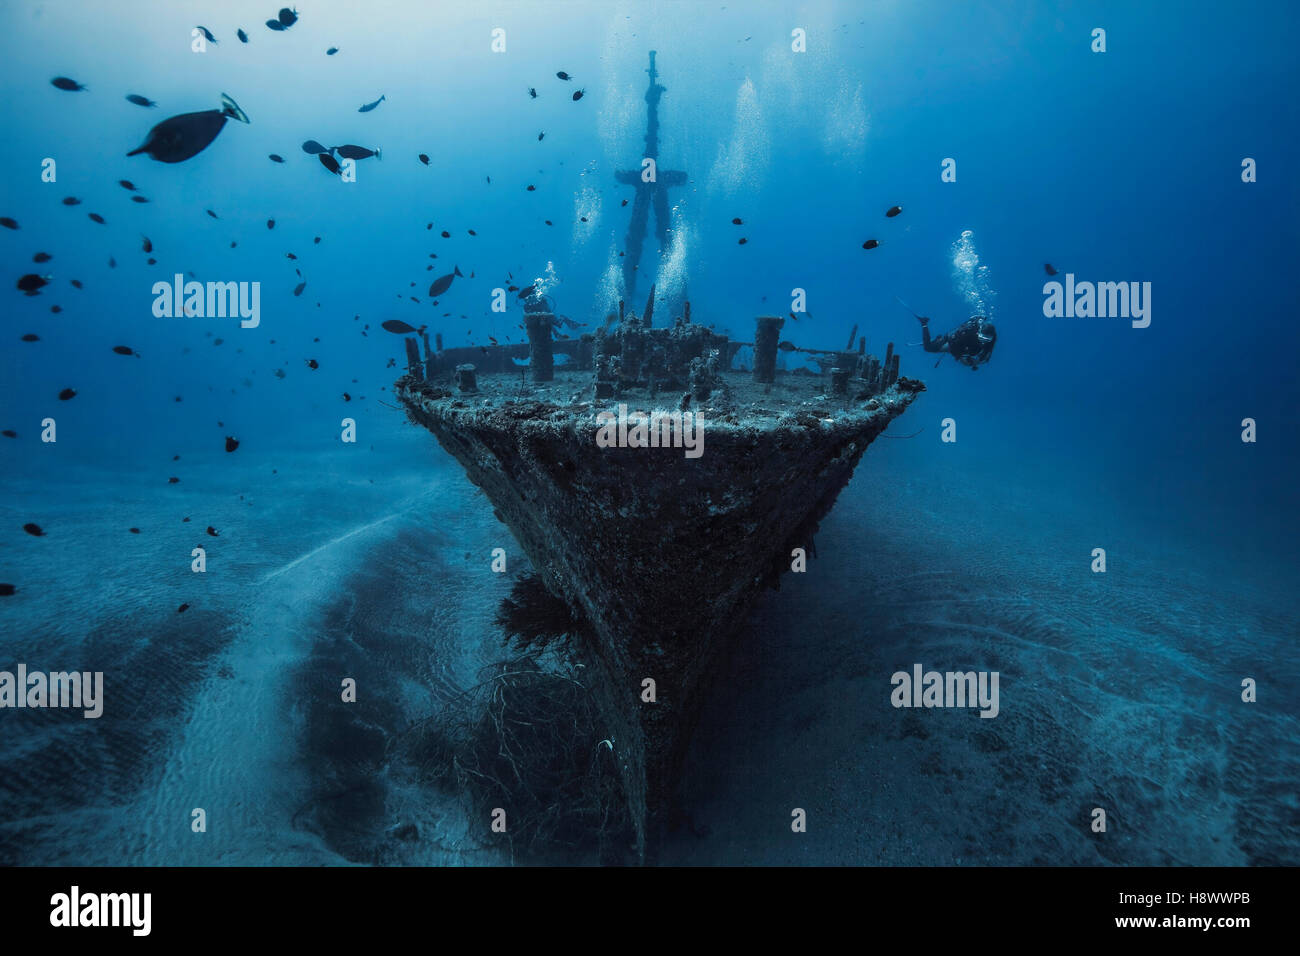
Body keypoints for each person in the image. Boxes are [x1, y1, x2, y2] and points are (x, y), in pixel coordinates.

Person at [915, 313, 996, 369]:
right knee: (928, 348)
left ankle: (937, 341)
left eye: (987, 339)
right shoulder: (968, 331)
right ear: (979, 332)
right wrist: (961, 357)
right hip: (952, 342)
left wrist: (978, 361)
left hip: (967, 350)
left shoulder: (992, 338)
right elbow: (954, 343)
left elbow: (987, 354)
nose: (984, 341)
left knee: (971, 359)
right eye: (982, 338)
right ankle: (924, 323)